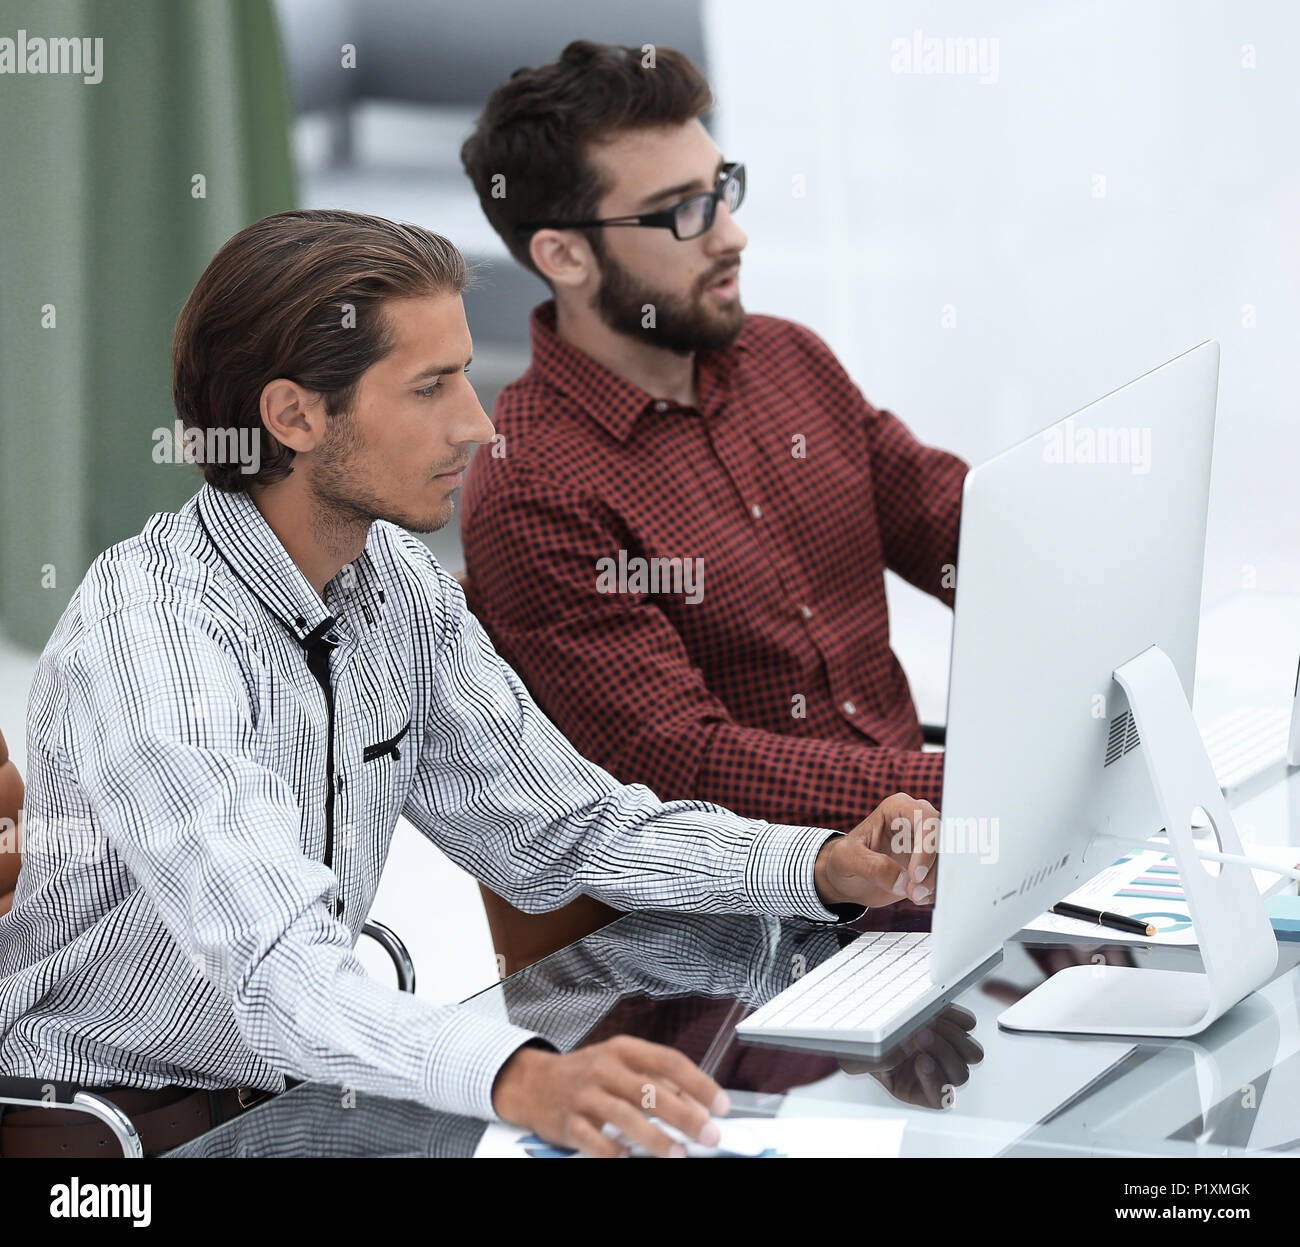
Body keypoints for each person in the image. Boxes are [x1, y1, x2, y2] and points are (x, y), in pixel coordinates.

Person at [0, 209, 936, 1159]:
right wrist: (521, 1074)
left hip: (312, 1105)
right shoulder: (152, 634)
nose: (477, 422)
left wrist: (819, 865)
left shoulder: (397, 584)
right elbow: (276, 970)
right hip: (107, 1135)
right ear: (293, 416)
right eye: (429, 386)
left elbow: (570, 831)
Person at [458, 42, 968, 948]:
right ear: (564, 254)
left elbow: (959, 530)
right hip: (741, 949)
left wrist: (1096, 582)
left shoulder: (787, 360)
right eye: (681, 213)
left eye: (721, 188)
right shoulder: (534, 485)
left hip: (936, 876)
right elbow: (681, 765)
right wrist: (970, 791)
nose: (730, 233)